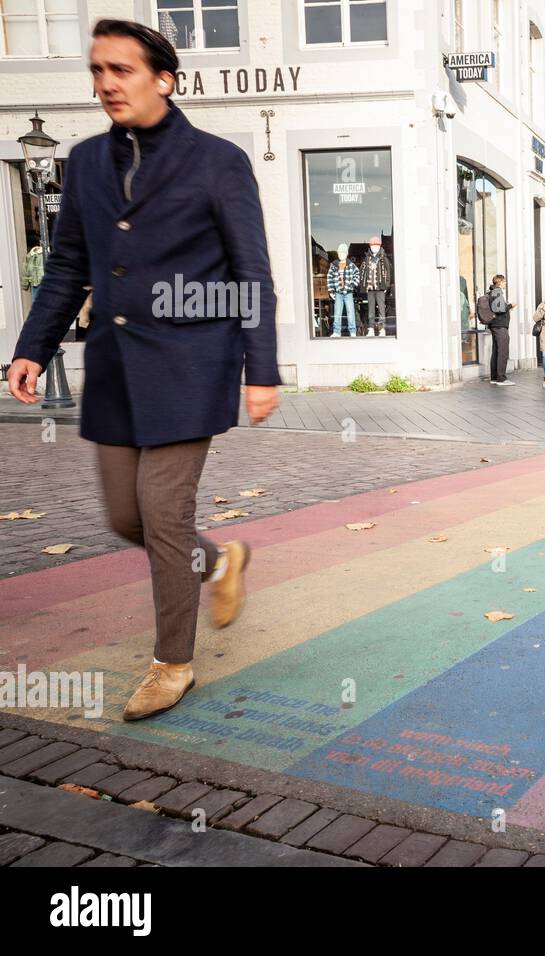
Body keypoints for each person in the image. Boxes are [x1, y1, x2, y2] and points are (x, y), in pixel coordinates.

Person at [7, 19, 278, 721]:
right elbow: (69, 264)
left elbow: (251, 270)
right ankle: (218, 563)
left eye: (120, 70)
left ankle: (172, 663)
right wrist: (33, 345)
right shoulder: (88, 160)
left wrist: (262, 368)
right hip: (117, 367)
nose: (104, 84)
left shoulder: (218, 161)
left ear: (164, 78)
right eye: (97, 70)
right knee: (126, 517)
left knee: (162, 514)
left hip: (192, 364)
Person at [360, 235, 392, 336]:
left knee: (381, 309)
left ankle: (382, 329)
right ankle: (371, 329)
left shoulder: (383, 258)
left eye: (376, 245)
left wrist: (386, 286)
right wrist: (363, 286)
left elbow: (388, 272)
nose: (374, 247)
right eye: (372, 246)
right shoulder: (367, 259)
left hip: (380, 288)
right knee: (371, 310)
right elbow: (363, 272)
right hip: (370, 288)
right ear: (370, 246)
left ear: (379, 246)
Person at [485, 273, 514, 385]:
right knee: (503, 351)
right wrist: (511, 305)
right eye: (504, 281)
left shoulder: (492, 292)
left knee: (496, 351)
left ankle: (494, 377)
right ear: (500, 282)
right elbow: (500, 309)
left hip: (495, 325)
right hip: (500, 325)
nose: (505, 283)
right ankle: (501, 378)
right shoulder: (497, 292)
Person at [327, 242, 359, 337]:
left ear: (346, 254)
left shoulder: (351, 265)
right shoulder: (334, 265)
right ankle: (337, 331)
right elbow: (329, 278)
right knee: (337, 312)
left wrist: (353, 285)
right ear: (337, 253)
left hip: (348, 292)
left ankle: (352, 331)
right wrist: (331, 290)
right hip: (338, 293)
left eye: (343, 253)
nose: (341, 255)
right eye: (340, 253)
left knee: (350, 312)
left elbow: (357, 274)